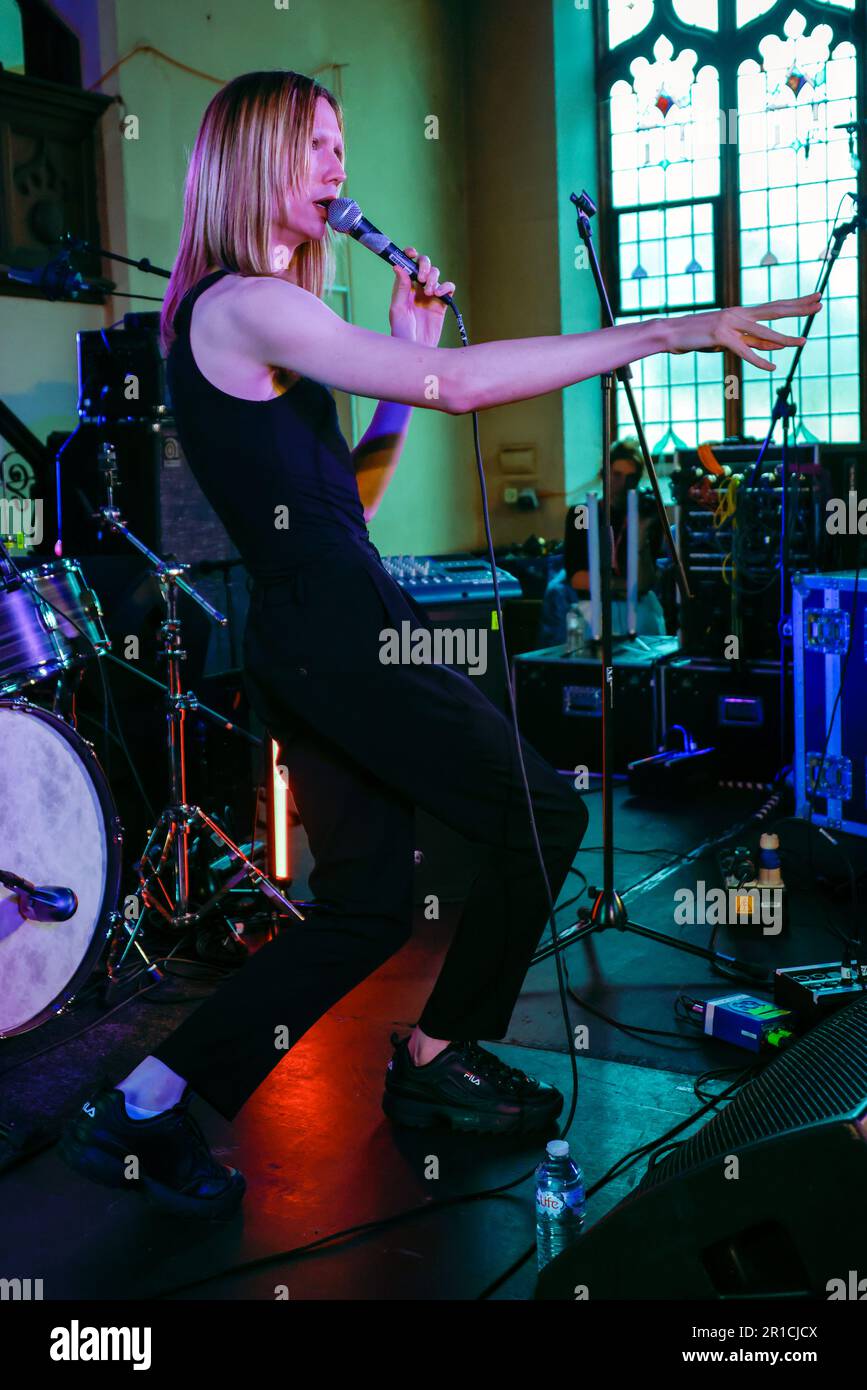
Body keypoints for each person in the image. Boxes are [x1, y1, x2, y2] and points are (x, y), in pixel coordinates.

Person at [59, 69, 820, 1219]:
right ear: (257, 159)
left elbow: (343, 502)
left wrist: (400, 376)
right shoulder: (242, 304)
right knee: (544, 810)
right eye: (316, 144)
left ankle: (149, 1100)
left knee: (367, 908)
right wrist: (663, 331)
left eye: (342, 143)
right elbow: (465, 384)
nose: (338, 167)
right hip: (340, 637)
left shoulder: (263, 316)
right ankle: (433, 1052)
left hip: (317, 625)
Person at [538, 439, 666, 648]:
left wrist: (640, 535)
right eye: (616, 475)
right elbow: (579, 579)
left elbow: (644, 583)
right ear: (604, 474)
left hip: (634, 610)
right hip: (590, 607)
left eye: (631, 478)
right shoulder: (583, 513)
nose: (622, 484)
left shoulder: (646, 517)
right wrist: (623, 585)